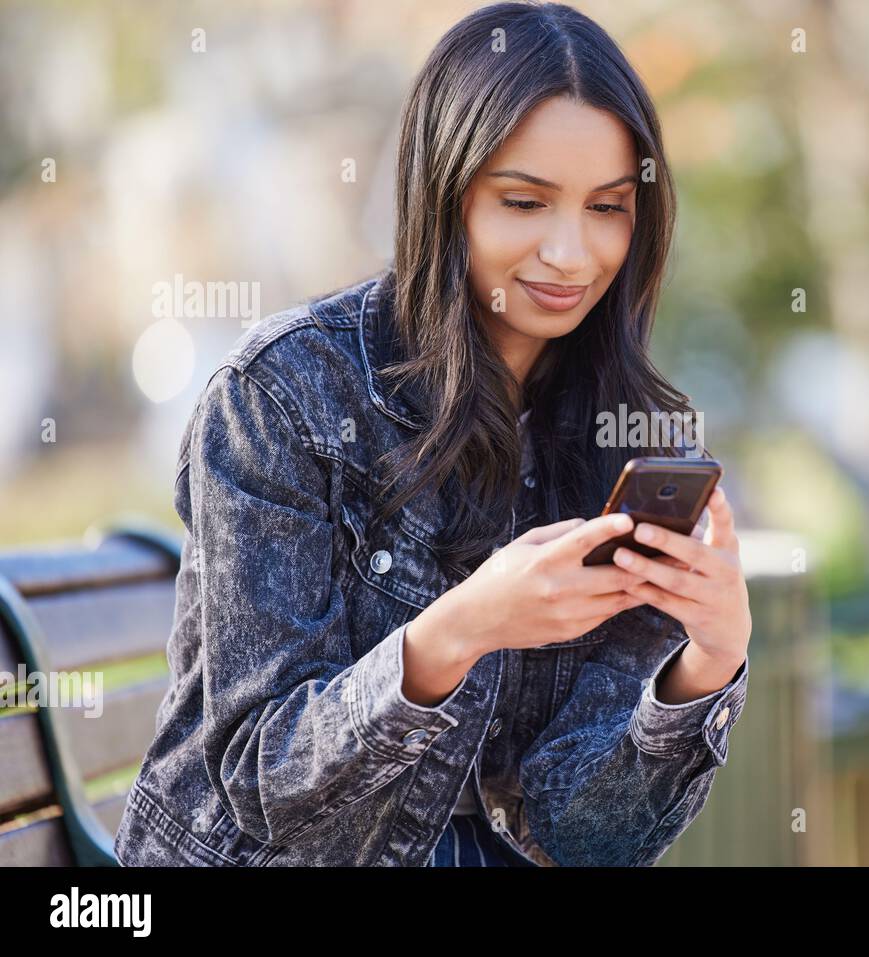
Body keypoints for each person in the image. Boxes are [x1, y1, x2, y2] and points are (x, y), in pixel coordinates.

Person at [113, 1, 751, 867]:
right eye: (525, 202)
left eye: (608, 207)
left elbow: (586, 836)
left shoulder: (628, 432)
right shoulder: (283, 397)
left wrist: (706, 665)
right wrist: (458, 632)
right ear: (443, 197)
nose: (571, 253)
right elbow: (264, 783)